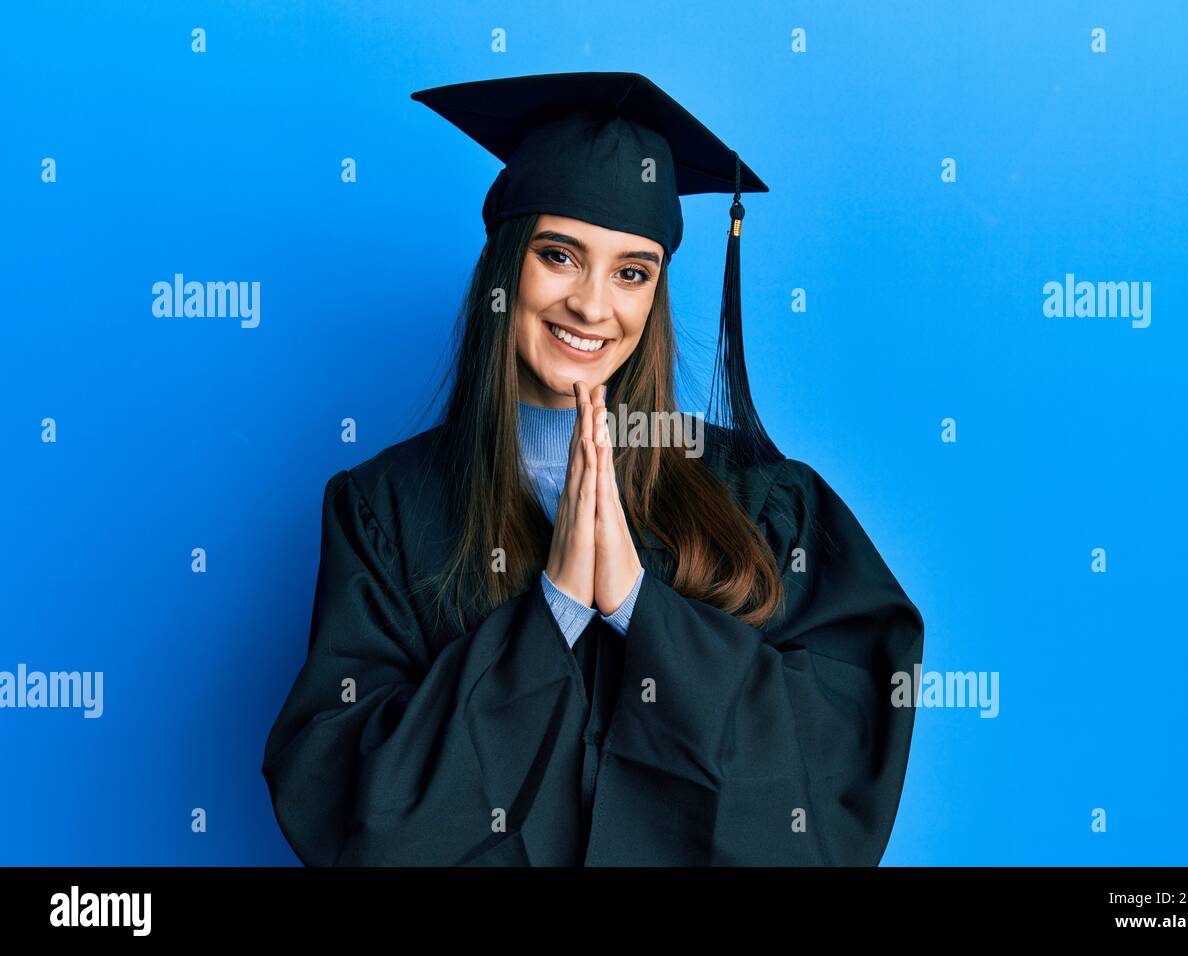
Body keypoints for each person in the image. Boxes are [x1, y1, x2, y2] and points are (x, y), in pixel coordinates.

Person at [261, 72, 925, 866]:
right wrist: (554, 610)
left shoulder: (761, 498)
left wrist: (643, 610)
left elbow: (833, 775)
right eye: (560, 255)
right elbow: (349, 808)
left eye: (632, 272)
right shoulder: (386, 511)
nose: (592, 305)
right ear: (506, 266)